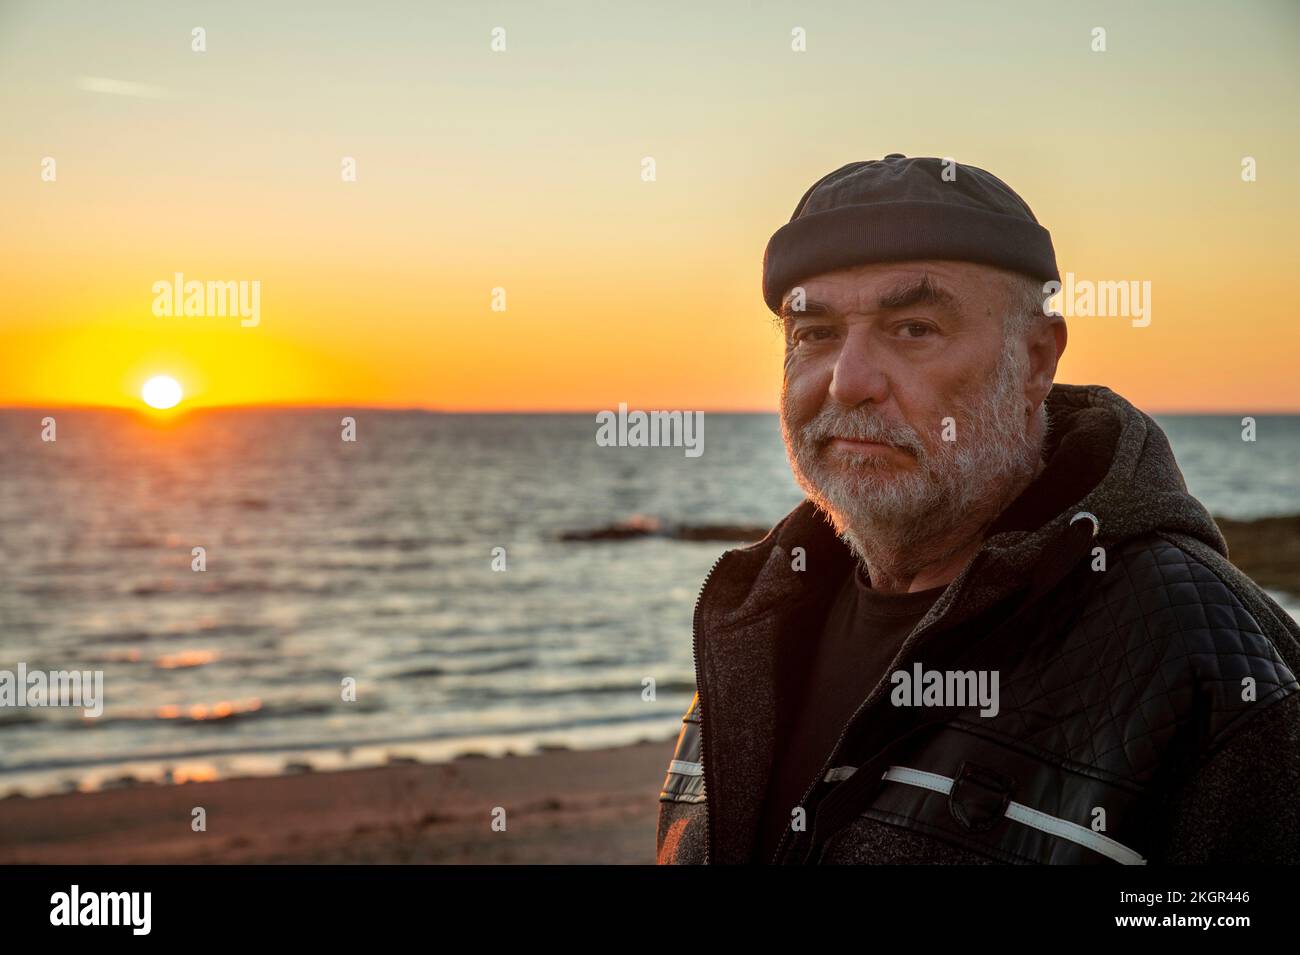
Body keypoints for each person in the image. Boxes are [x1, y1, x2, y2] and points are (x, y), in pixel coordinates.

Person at [655, 155, 1300, 864]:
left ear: (1034, 360)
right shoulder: (754, 621)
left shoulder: (1207, 663)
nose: (849, 381)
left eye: (913, 328)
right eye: (814, 333)